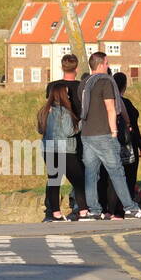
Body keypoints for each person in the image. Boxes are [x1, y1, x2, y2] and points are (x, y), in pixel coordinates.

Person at [78, 52, 141, 219]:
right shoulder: (106, 81)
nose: (108, 66)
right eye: (107, 63)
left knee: (91, 173)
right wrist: (114, 132)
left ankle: (94, 210)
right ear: (102, 64)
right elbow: (111, 108)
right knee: (116, 171)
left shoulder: (83, 84)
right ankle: (130, 207)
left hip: (87, 133)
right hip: (104, 133)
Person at [44, 54, 88, 218]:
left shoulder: (52, 86)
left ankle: (52, 211)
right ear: (76, 69)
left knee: (54, 179)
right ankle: (82, 208)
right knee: (78, 178)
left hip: (50, 142)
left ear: (62, 67)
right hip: (71, 140)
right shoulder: (80, 87)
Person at [38, 85, 79, 222]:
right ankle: (84, 210)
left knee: (54, 181)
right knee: (78, 180)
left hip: (48, 147)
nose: (68, 96)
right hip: (63, 148)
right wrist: (80, 125)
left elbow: (40, 129)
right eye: (67, 93)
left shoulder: (44, 111)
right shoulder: (65, 112)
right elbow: (69, 132)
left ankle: (54, 213)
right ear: (61, 95)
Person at [109, 72, 141, 217]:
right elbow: (133, 125)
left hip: (112, 143)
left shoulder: (110, 102)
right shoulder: (126, 104)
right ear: (124, 85)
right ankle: (125, 207)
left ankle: (113, 210)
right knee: (129, 177)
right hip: (128, 144)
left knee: (114, 178)